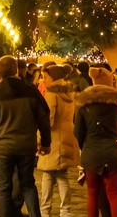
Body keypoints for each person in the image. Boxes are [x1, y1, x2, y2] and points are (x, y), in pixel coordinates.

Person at [0, 56, 51, 217]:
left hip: (4, 147)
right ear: (16, 70)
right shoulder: (31, 91)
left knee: (4, 187)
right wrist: (46, 142)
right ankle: (35, 215)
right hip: (27, 145)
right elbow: (44, 117)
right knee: (27, 184)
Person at [76, 77, 117, 216]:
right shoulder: (115, 103)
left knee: (92, 193)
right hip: (113, 153)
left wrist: (85, 147)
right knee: (114, 194)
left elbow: (78, 133)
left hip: (91, 153)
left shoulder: (83, 107)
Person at [38, 65, 78, 217]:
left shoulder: (51, 94)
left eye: (45, 77)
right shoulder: (69, 92)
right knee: (62, 176)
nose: (44, 80)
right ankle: (65, 211)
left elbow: (48, 120)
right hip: (67, 136)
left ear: (53, 78)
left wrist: (40, 137)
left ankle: (45, 210)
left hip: (53, 139)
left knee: (48, 175)